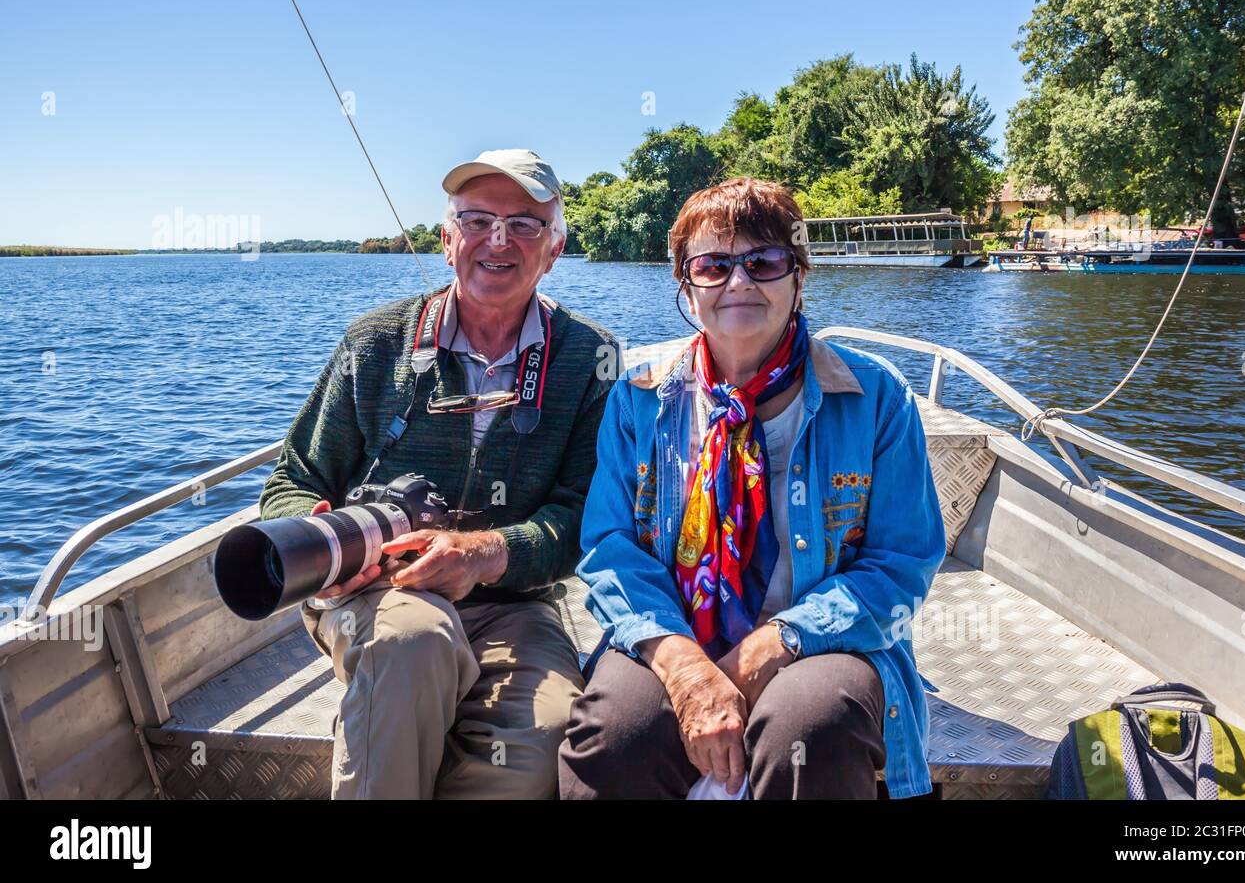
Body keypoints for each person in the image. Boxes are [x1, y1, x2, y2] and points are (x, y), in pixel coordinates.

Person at [557, 178, 947, 800]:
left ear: (799, 276)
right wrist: (685, 666)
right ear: (687, 285)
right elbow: (610, 547)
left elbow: (902, 562)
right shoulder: (637, 399)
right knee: (616, 734)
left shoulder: (876, 397)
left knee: (810, 726)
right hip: (670, 629)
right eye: (713, 266)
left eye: (763, 262)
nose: (738, 281)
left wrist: (778, 642)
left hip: (822, 642)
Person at [260, 149, 620, 799]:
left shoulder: (589, 357)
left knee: (541, 741)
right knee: (413, 641)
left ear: (555, 249)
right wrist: (325, 539)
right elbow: (295, 478)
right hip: (377, 591)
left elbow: (583, 519)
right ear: (448, 239)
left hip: (513, 606)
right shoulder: (375, 344)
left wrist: (484, 554)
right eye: (477, 220)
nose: (498, 241)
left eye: (524, 225)